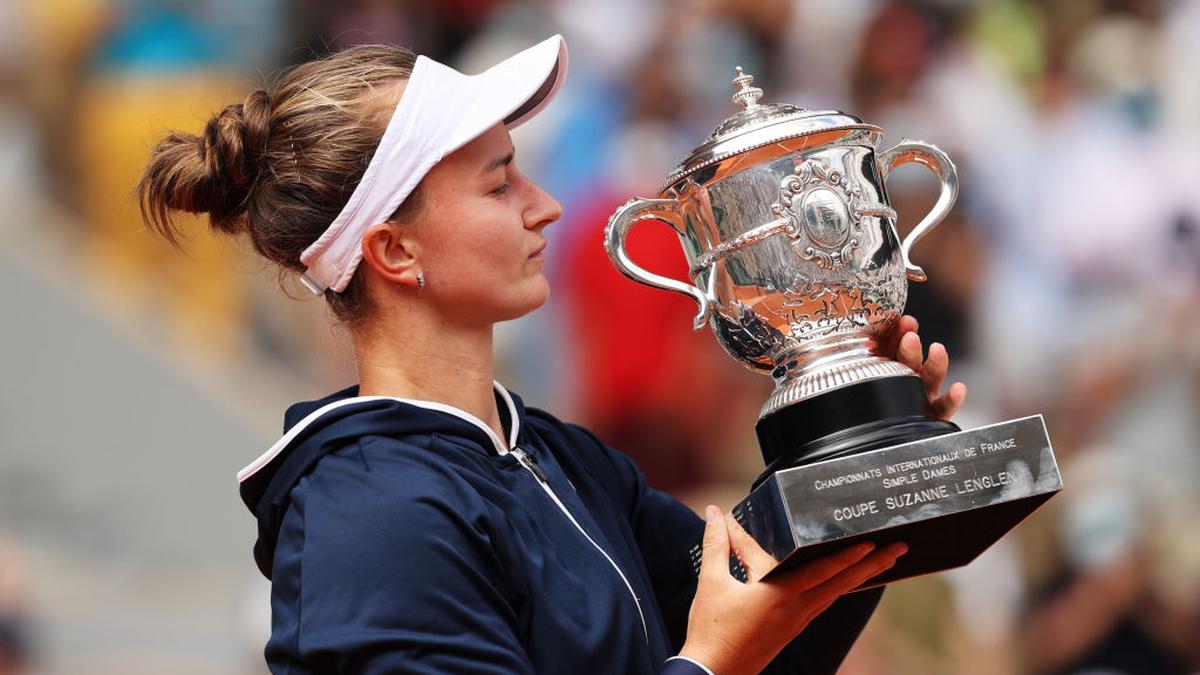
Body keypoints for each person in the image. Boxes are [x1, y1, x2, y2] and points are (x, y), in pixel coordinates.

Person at [138, 35, 965, 674]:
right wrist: (705, 666)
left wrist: (863, 437)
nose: (545, 206)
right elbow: (720, 653)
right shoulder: (371, 520)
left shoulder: (557, 455)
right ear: (395, 252)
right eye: (499, 185)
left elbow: (768, 627)